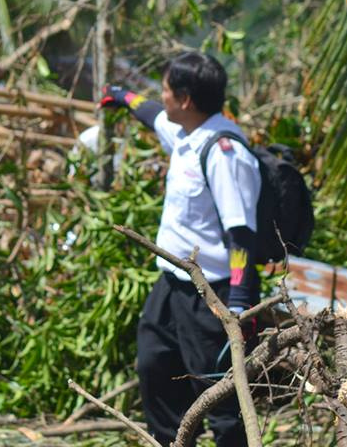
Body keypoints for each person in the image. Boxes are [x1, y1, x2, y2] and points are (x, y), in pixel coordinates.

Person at [100, 51, 261, 447]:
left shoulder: (224, 153)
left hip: (213, 295)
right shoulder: (187, 133)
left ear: (186, 99)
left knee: (220, 398)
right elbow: (151, 112)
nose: (162, 95)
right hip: (172, 283)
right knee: (154, 367)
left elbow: (241, 235)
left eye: (167, 89)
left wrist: (238, 304)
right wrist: (121, 96)